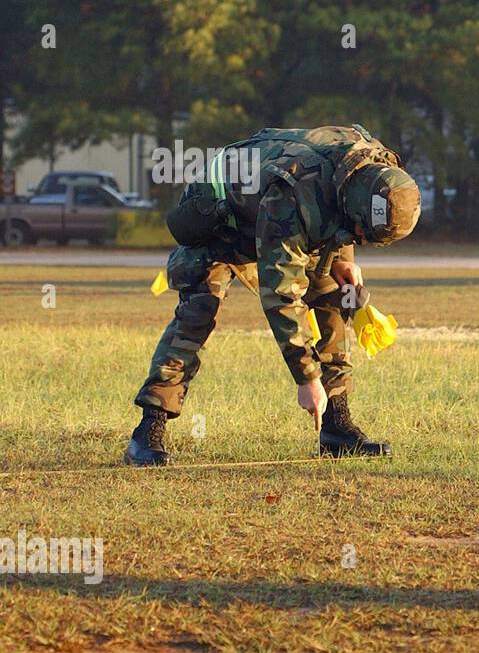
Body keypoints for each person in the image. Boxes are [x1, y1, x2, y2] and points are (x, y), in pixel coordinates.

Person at [125, 125, 420, 465]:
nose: (357, 238)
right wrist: (306, 377)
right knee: (198, 313)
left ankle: (336, 427)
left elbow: (340, 213)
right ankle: (147, 431)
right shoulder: (292, 194)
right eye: (358, 232)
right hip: (219, 220)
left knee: (334, 296)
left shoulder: (370, 170)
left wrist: (341, 258)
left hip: (271, 208)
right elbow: (281, 293)